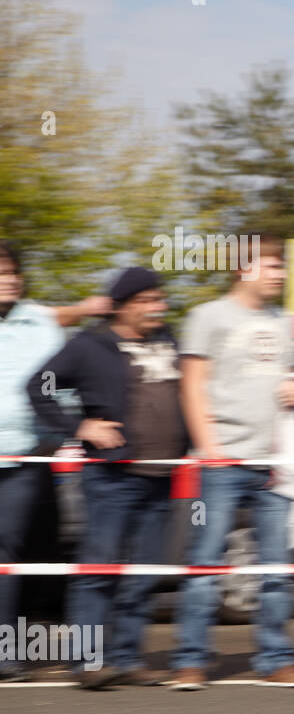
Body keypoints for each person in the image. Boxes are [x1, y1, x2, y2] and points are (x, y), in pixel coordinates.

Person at [26, 268, 185, 688]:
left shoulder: (167, 339)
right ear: (124, 305)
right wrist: (79, 427)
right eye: (149, 300)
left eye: (160, 298)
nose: (159, 306)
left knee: (146, 572)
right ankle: (88, 661)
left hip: (163, 474)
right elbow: (38, 387)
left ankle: (128, 658)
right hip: (112, 476)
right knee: (100, 570)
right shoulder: (89, 345)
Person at [171, 235, 294, 689]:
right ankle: (190, 659)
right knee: (207, 563)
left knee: (276, 565)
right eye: (272, 266)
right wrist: (208, 447)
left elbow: (292, 376)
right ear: (244, 268)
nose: (281, 274)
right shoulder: (207, 317)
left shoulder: (284, 321)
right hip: (223, 462)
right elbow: (192, 385)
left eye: (282, 267)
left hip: (275, 463)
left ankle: (276, 658)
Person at [0, 241, 67, 683]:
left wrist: (57, 436)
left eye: (12, 271)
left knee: (6, 550)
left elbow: (65, 386)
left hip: (23, 457)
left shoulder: (41, 323)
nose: (9, 278)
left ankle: (5, 653)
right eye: (0, 272)